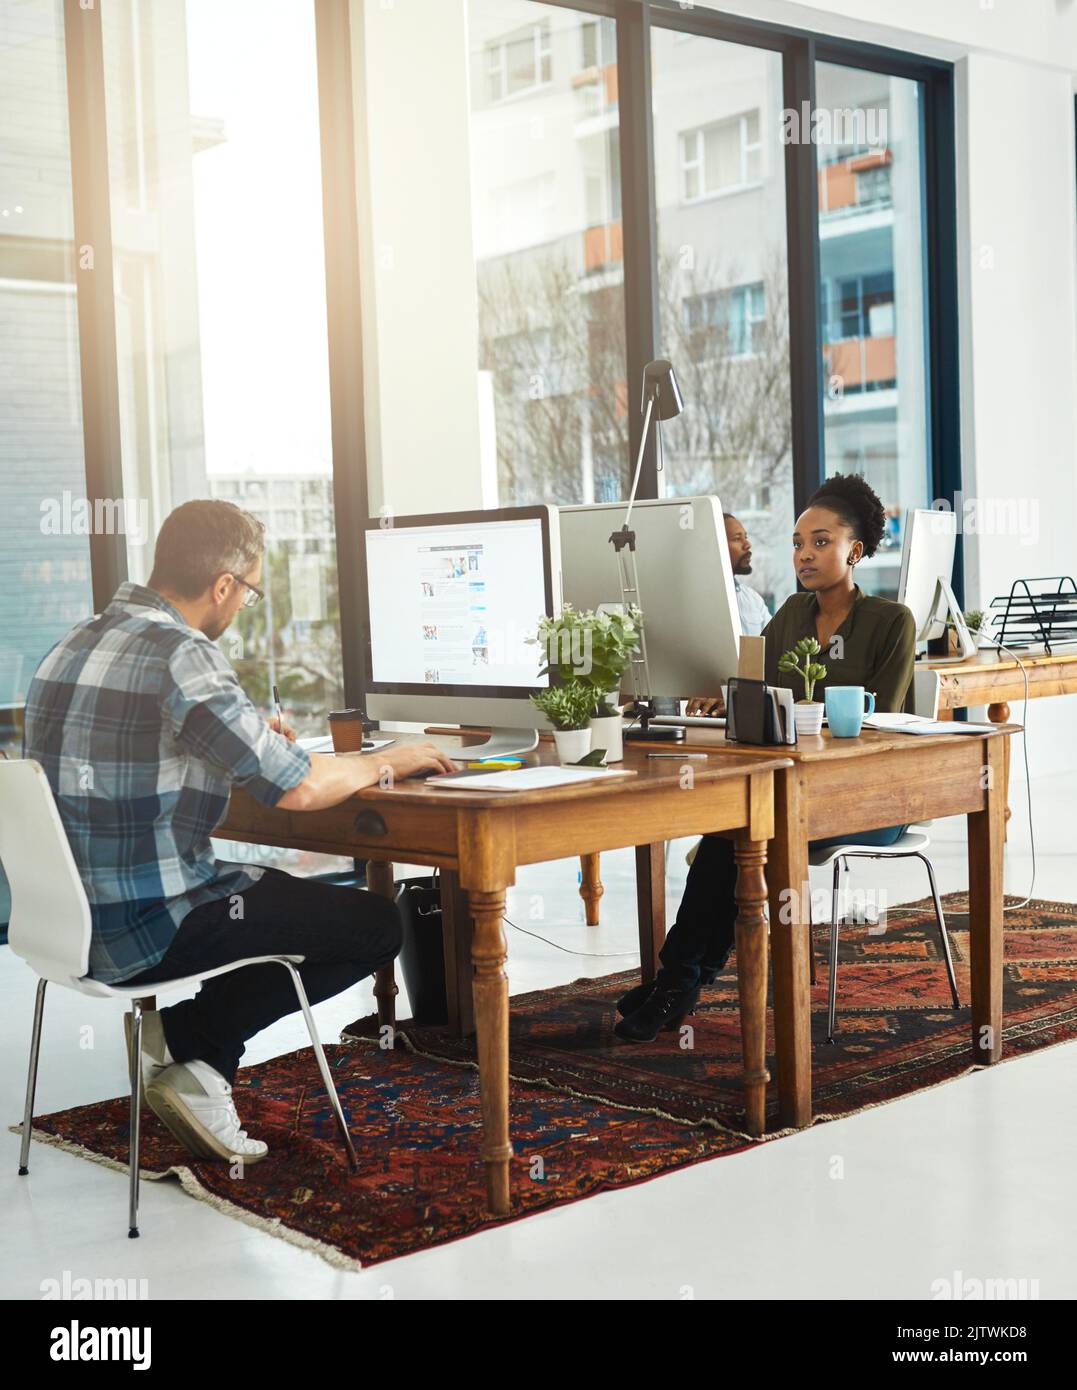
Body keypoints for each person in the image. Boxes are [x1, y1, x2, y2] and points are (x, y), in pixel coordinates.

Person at [23, 499, 456, 1161]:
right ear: (222, 585)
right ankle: (193, 1048)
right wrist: (384, 761)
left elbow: (124, 763)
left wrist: (243, 740)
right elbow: (300, 787)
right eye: (248, 592)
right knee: (375, 925)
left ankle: (181, 1041)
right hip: (152, 926)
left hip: (64, 926)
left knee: (286, 901)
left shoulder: (69, 644)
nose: (240, 606)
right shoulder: (182, 652)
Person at [615, 473, 916, 1042]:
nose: (806, 554)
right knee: (732, 833)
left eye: (822, 542)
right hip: (795, 791)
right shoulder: (789, 620)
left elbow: (884, 719)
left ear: (855, 549)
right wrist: (724, 696)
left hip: (868, 795)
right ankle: (681, 979)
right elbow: (758, 694)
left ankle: (679, 981)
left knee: (742, 837)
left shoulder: (889, 621)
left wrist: (802, 711)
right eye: (800, 543)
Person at [686, 512, 771, 717]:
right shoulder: (689, 598)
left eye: (746, 536)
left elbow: (773, 656)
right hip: (699, 711)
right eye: (737, 539)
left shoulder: (754, 601)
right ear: (714, 546)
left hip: (747, 707)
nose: (748, 545)